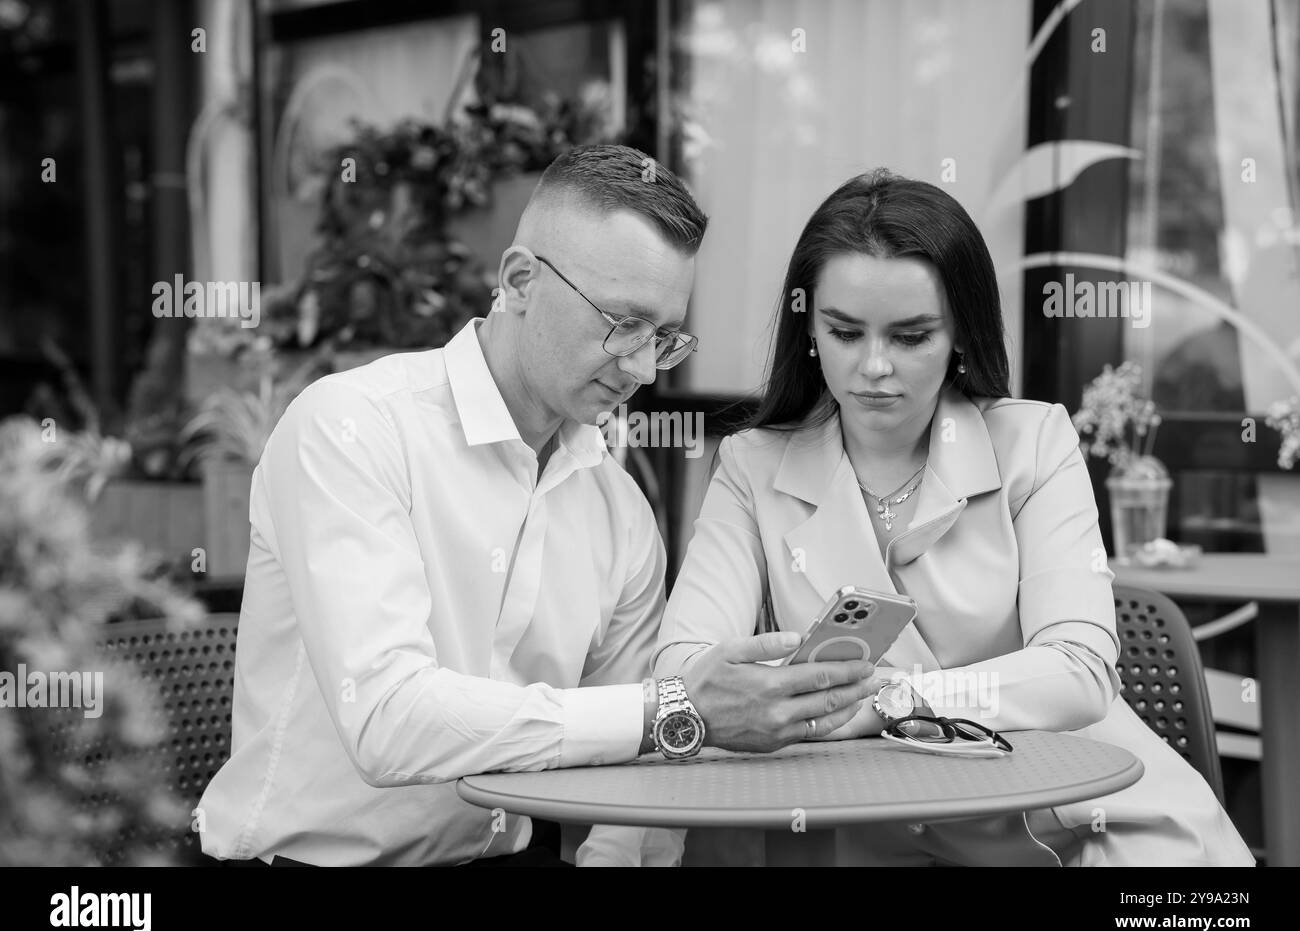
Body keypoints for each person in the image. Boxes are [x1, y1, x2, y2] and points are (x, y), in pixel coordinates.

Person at [198, 144, 875, 867]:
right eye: (621, 323)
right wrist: (670, 708)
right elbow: (388, 722)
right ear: (520, 279)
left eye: (666, 338)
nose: (643, 369)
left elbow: (635, 771)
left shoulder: (619, 510)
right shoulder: (352, 430)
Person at [653, 168, 1255, 866]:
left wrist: (892, 700)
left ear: (960, 337)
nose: (874, 366)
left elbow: (1081, 670)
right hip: (868, 832)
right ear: (809, 329)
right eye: (845, 331)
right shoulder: (753, 466)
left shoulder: (1033, 444)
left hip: (1086, 823)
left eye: (911, 337)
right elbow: (684, 674)